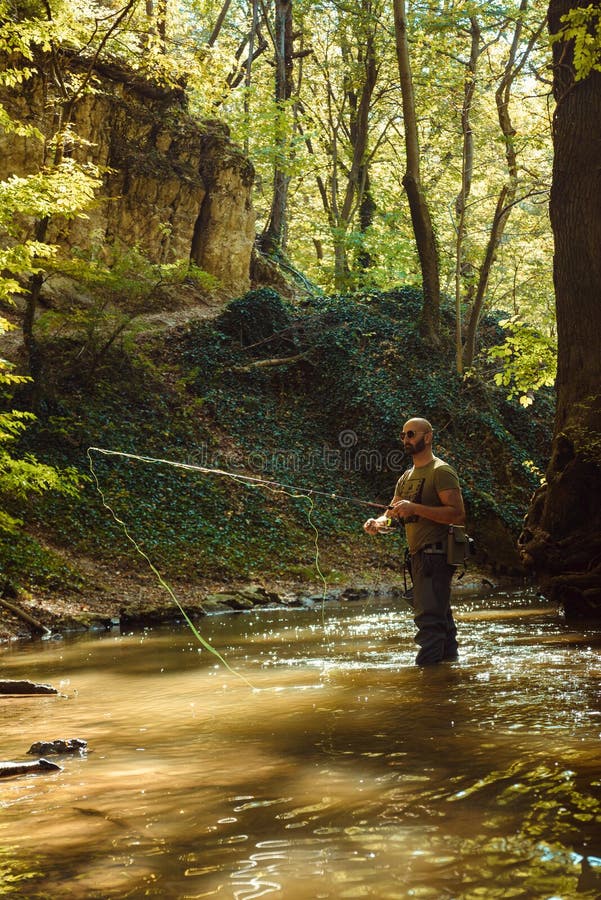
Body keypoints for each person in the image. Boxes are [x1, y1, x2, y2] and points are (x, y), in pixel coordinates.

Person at [364, 417, 465, 665]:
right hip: (418, 557)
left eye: (411, 434)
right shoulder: (406, 477)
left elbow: (456, 514)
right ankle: (448, 677)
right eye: (403, 435)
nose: (406, 439)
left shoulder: (441, 471)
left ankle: (426, 684)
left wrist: (416, 508)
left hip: (437, 556)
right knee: (442, 620)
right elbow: (391, 513)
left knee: (429, 622)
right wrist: (378, 523)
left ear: (427, 437)